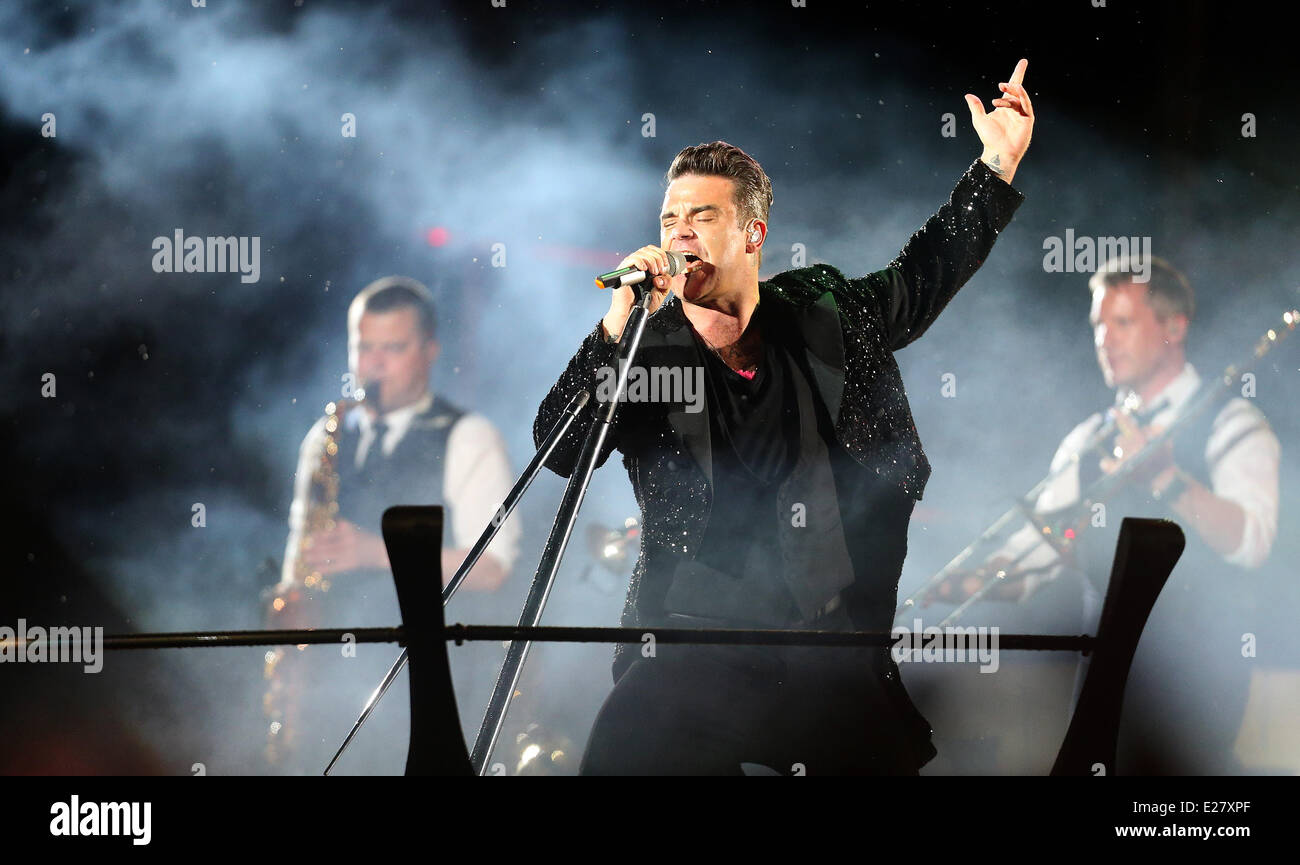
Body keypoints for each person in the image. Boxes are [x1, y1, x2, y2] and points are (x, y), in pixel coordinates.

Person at [533, 61, 1034, 775]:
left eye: (701, 217)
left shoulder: (823, 313)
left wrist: (996, 163)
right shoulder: (648, 350)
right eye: (670, 219)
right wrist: (616, 328)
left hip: (823, 645)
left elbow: (922, 277)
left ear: (751, 233)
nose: (680, 236)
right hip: (688, 650)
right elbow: (558, 447)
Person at [932, 255, 1280, 774]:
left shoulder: (1232, 424)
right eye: (1098, 324)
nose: (1105, 339)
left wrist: (1165, 477)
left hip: (1200, 684)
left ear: (1174, 327)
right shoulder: (1089, 439)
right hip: (1106, 673)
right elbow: (1034, 554)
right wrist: (971, 583)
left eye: (1123, 322)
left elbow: (1251, 543)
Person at [270, 275, 520, 772]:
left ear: (429, 351)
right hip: (330, 683)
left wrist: (369, 552)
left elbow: (492, 570)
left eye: (393, 348)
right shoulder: (325, 436)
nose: (374, 365)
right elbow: (299, 559)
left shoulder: (469, 436)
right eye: (363, 348)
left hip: (428, 682)